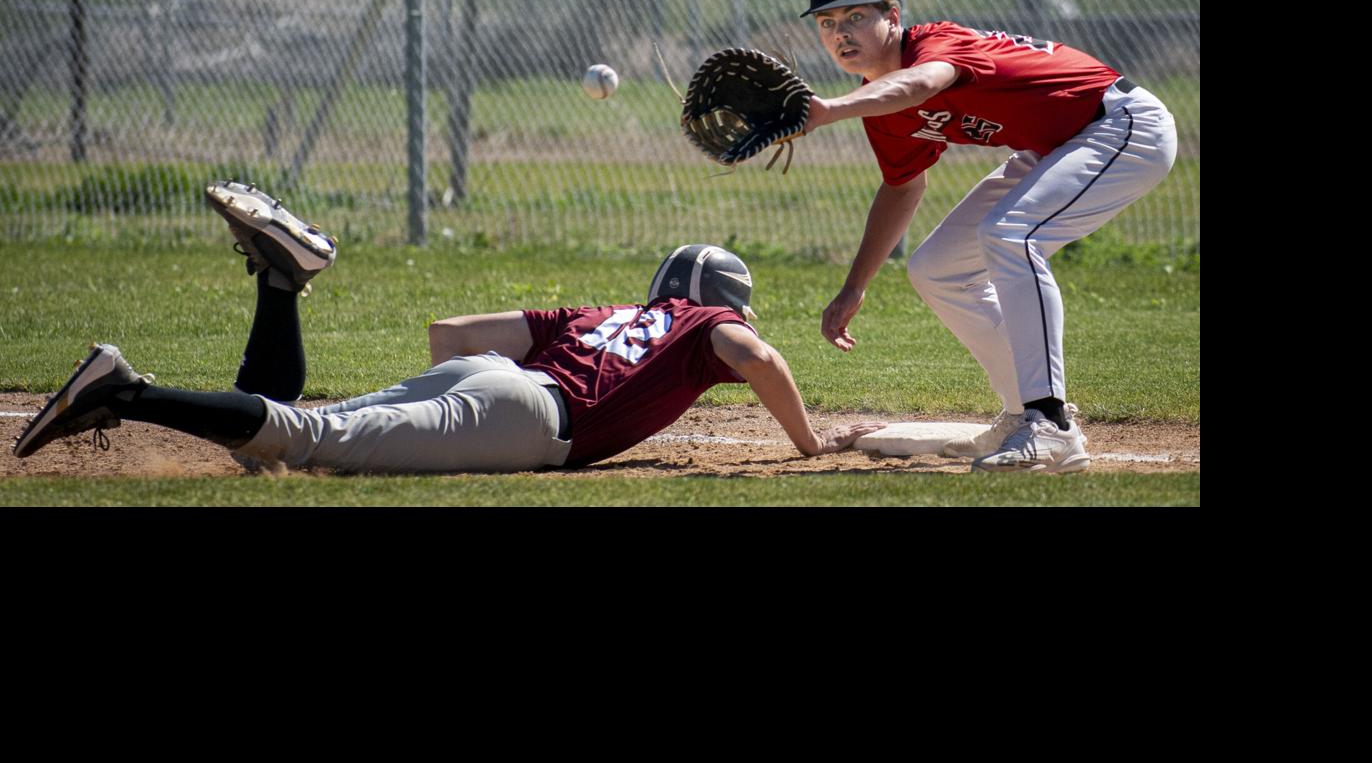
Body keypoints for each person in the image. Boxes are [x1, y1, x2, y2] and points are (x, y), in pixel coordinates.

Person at [11, 181, 884, 472]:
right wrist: (806, 444)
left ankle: (280, 288)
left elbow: (452, 333)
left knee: (276, 446)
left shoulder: (598, 316)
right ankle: (124, 391)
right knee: (305, 441)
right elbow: (751, 349)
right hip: (532, 420)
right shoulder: (704, 327)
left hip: (496, 385)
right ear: (723, 297)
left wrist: (442, 404)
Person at [797, 0, 1176, 474]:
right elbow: (902, 187)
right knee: (937, 269)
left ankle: (1051, 426)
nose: (841, 32)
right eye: (827, 23)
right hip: (1057, 145)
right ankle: (1024, 412)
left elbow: (923, 83)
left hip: (1121, 124)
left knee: (1011, 233)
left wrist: (830, 110)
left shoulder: (934, 45)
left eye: (856, 16)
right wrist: (853, 288)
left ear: (893, 15)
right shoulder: (877, 102)